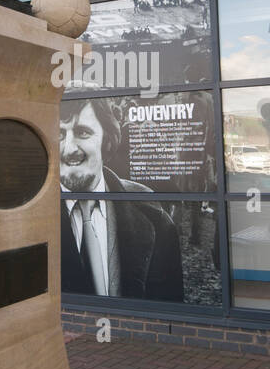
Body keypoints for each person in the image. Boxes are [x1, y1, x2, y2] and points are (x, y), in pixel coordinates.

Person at [59, 96, 184, 302]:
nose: (69, 148)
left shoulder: (152, 215)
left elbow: (170, 310)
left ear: (106, 139)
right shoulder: (24, 220)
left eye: (82, 132)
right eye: (59, 135)